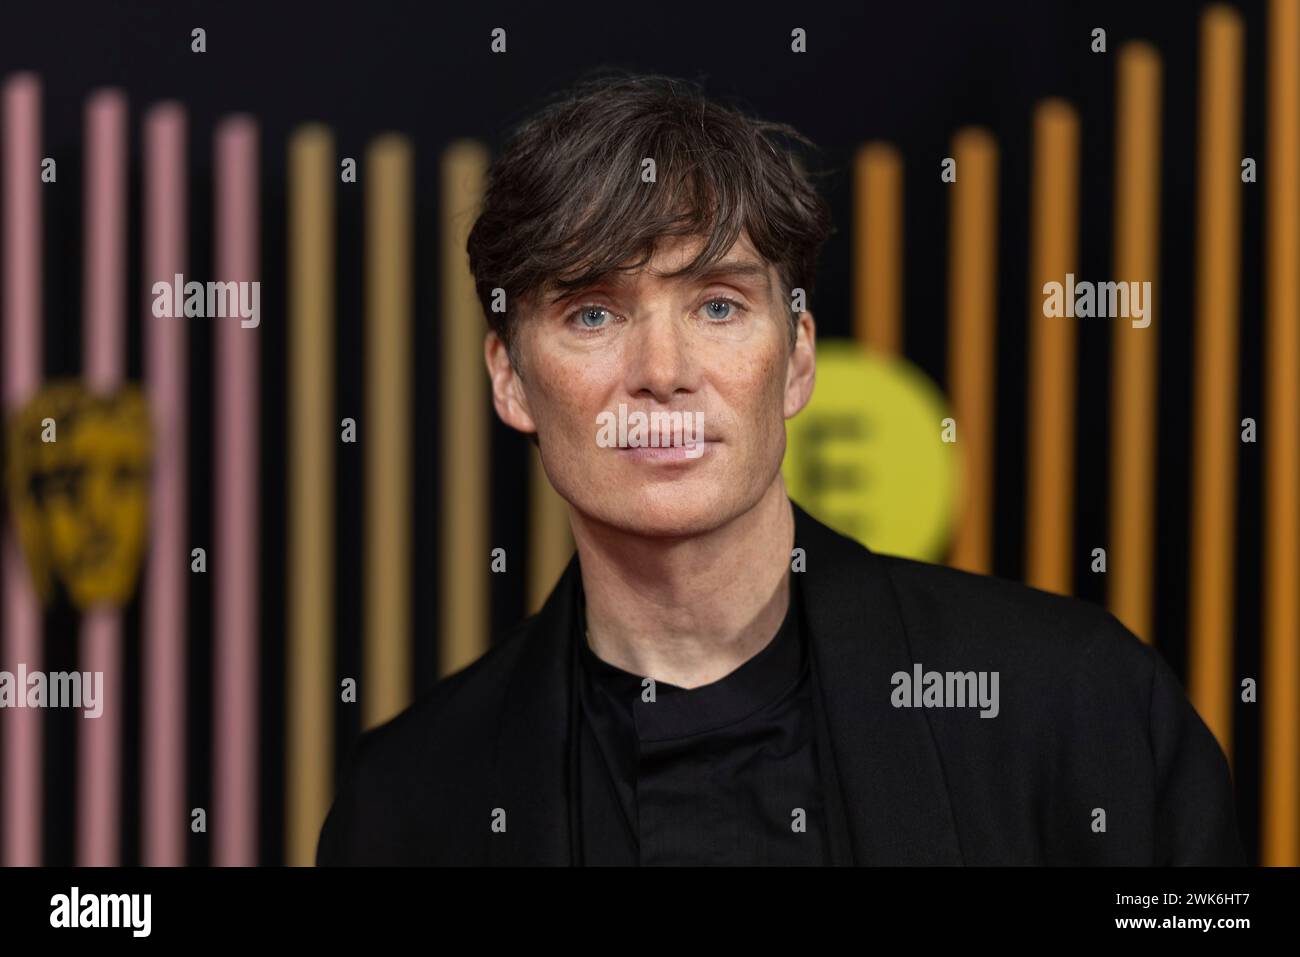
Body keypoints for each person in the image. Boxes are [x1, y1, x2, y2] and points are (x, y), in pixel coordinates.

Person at [316, 72, 1245, 866]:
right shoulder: (406, 804)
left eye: (717, 305)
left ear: (797, 356)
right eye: (593, 313)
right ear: (510, 378)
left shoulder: (1078, 707)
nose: (663, 371)